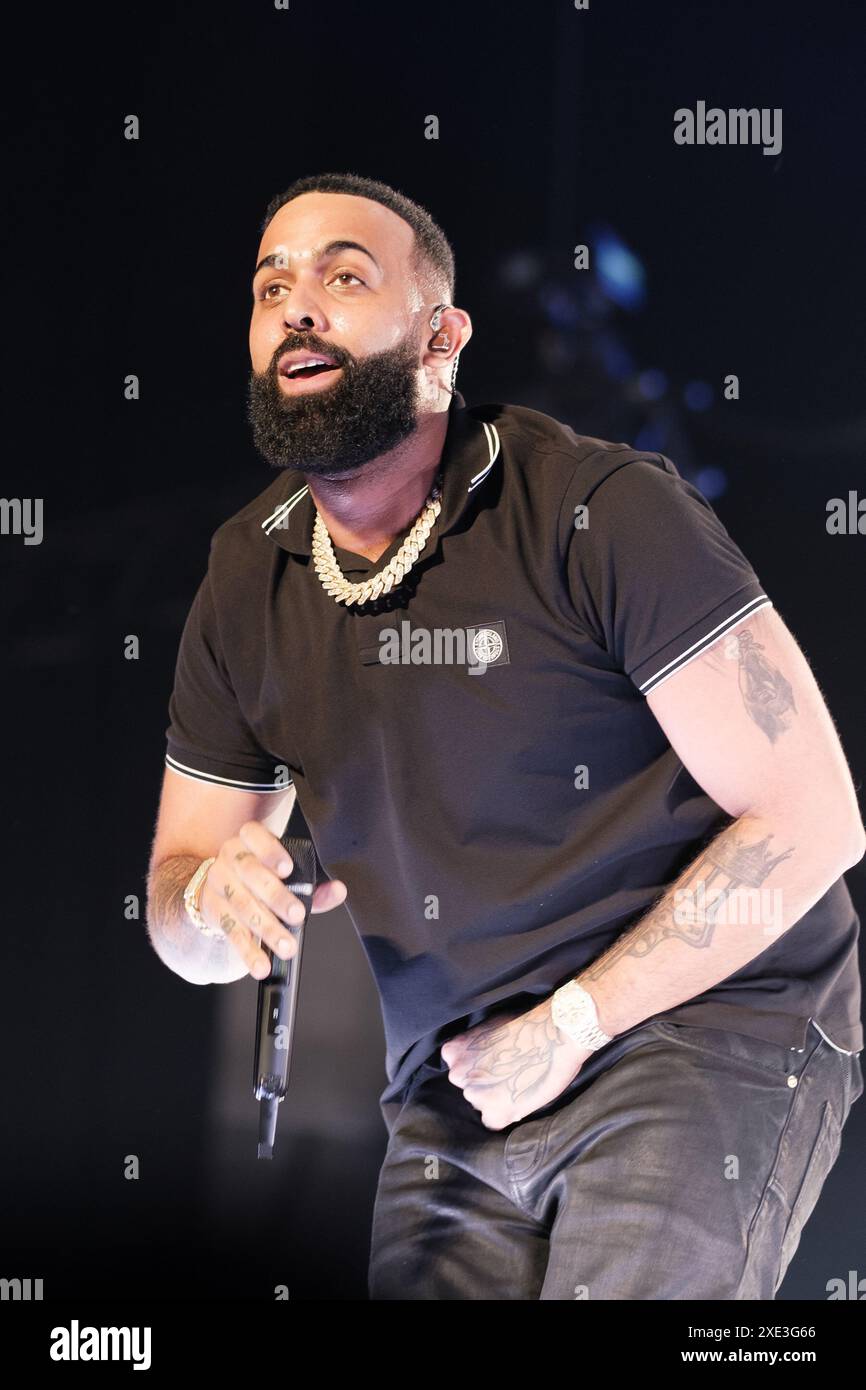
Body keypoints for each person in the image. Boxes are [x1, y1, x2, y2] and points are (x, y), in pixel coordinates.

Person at [145, 171, 864, 1300]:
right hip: (458, 1083)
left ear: (441, 338)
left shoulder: (595, 507)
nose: (297, 304)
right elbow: (178, 911)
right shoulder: (247, 579)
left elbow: (813, 818)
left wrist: (574, 1021)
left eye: (344, 276)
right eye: (271, 284)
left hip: (701, 1029)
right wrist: (205, 904)